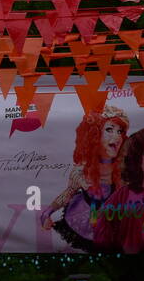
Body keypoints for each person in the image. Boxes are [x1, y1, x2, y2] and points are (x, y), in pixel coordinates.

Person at [40, 106, 130, 251]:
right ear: (95, 135)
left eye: (120, 132)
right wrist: (47, 213)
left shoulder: (125, 168)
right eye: (109, 130)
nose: (117, 137)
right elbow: (68, 193)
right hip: (84, 223)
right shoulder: (82, 169)